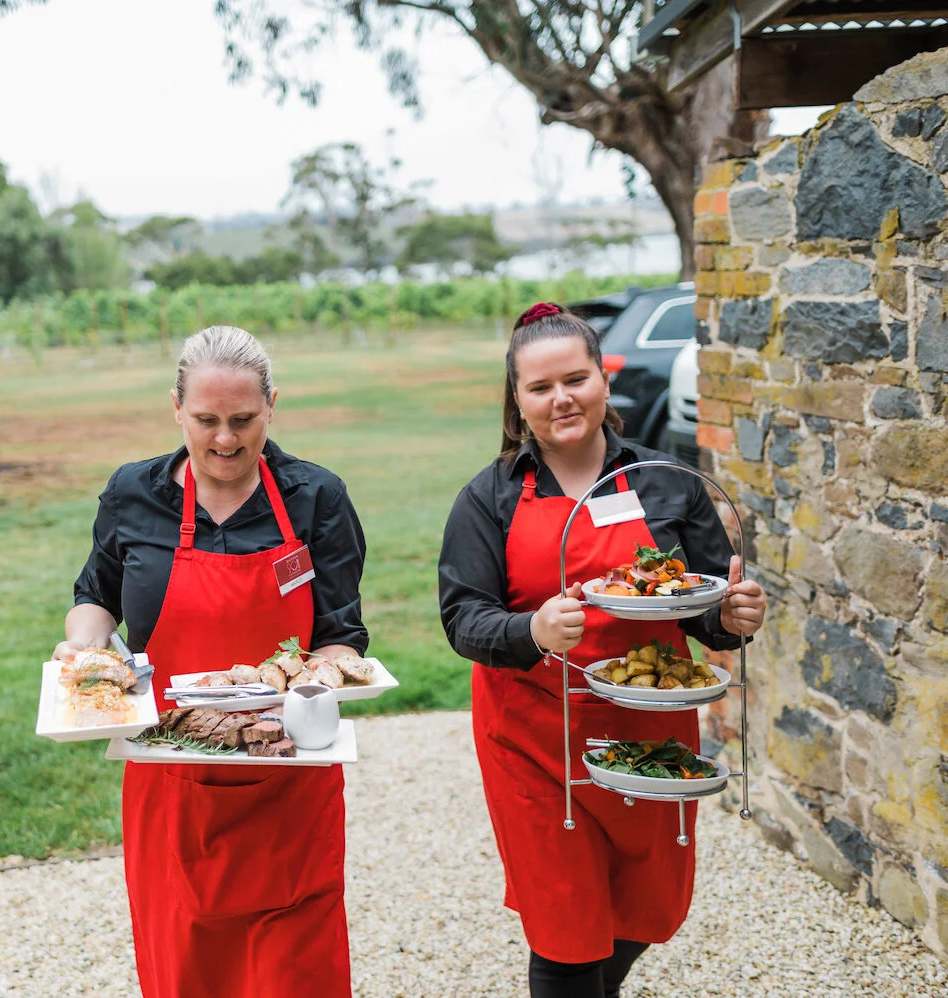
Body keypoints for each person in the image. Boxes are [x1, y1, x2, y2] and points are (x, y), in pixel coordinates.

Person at [437, 302, 768, 998]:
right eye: (540, 387)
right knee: (563, 927)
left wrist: (735, 618)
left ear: (603, 380)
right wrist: (530, 631)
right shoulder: (488, 498)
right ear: (518, 399)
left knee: (647, 910)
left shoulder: (668, 483)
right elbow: (463, 618)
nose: (562, 398)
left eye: (576, 378)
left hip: (651, 726)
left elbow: (708, 613)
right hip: (534, 738)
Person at [55, 325, 369, 998]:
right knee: (188, 973)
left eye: (243, 420)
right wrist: (84, 645)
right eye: (206, 420)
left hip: (290, 774)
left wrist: (317, 681)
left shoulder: (317, 498)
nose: (225, 440)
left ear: (272, 407)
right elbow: (95, 598)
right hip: (171, 778)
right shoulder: (132, 495)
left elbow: (343, 636)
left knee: (298, 977)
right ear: (176, 410)